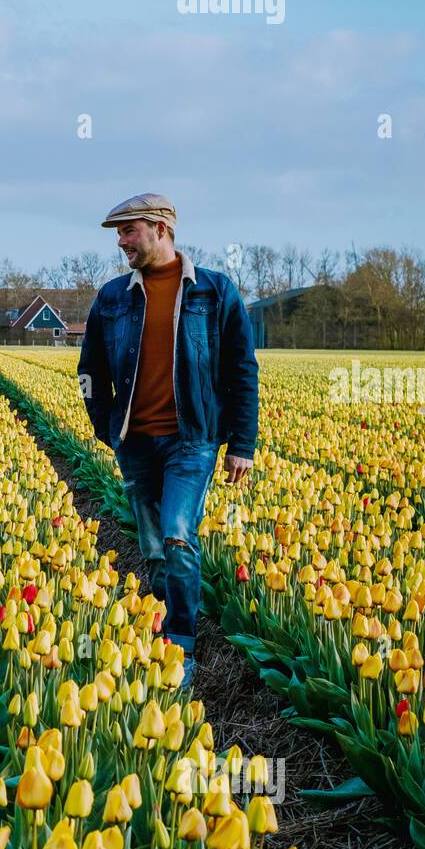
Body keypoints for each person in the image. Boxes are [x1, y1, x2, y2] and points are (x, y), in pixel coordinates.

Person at [77, 194, 258, 687]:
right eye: (118, 233)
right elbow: (89, 370)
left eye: (128, 231)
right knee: (154, 546)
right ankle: (158, 626)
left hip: (192, 439)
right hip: (134, 440)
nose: (120, 242)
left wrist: (243, 442)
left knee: (178, 534)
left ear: (160, 228)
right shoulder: (112, 297)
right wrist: (106, 425)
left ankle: (181, 642)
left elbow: (242, 370)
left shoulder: (215, 292)